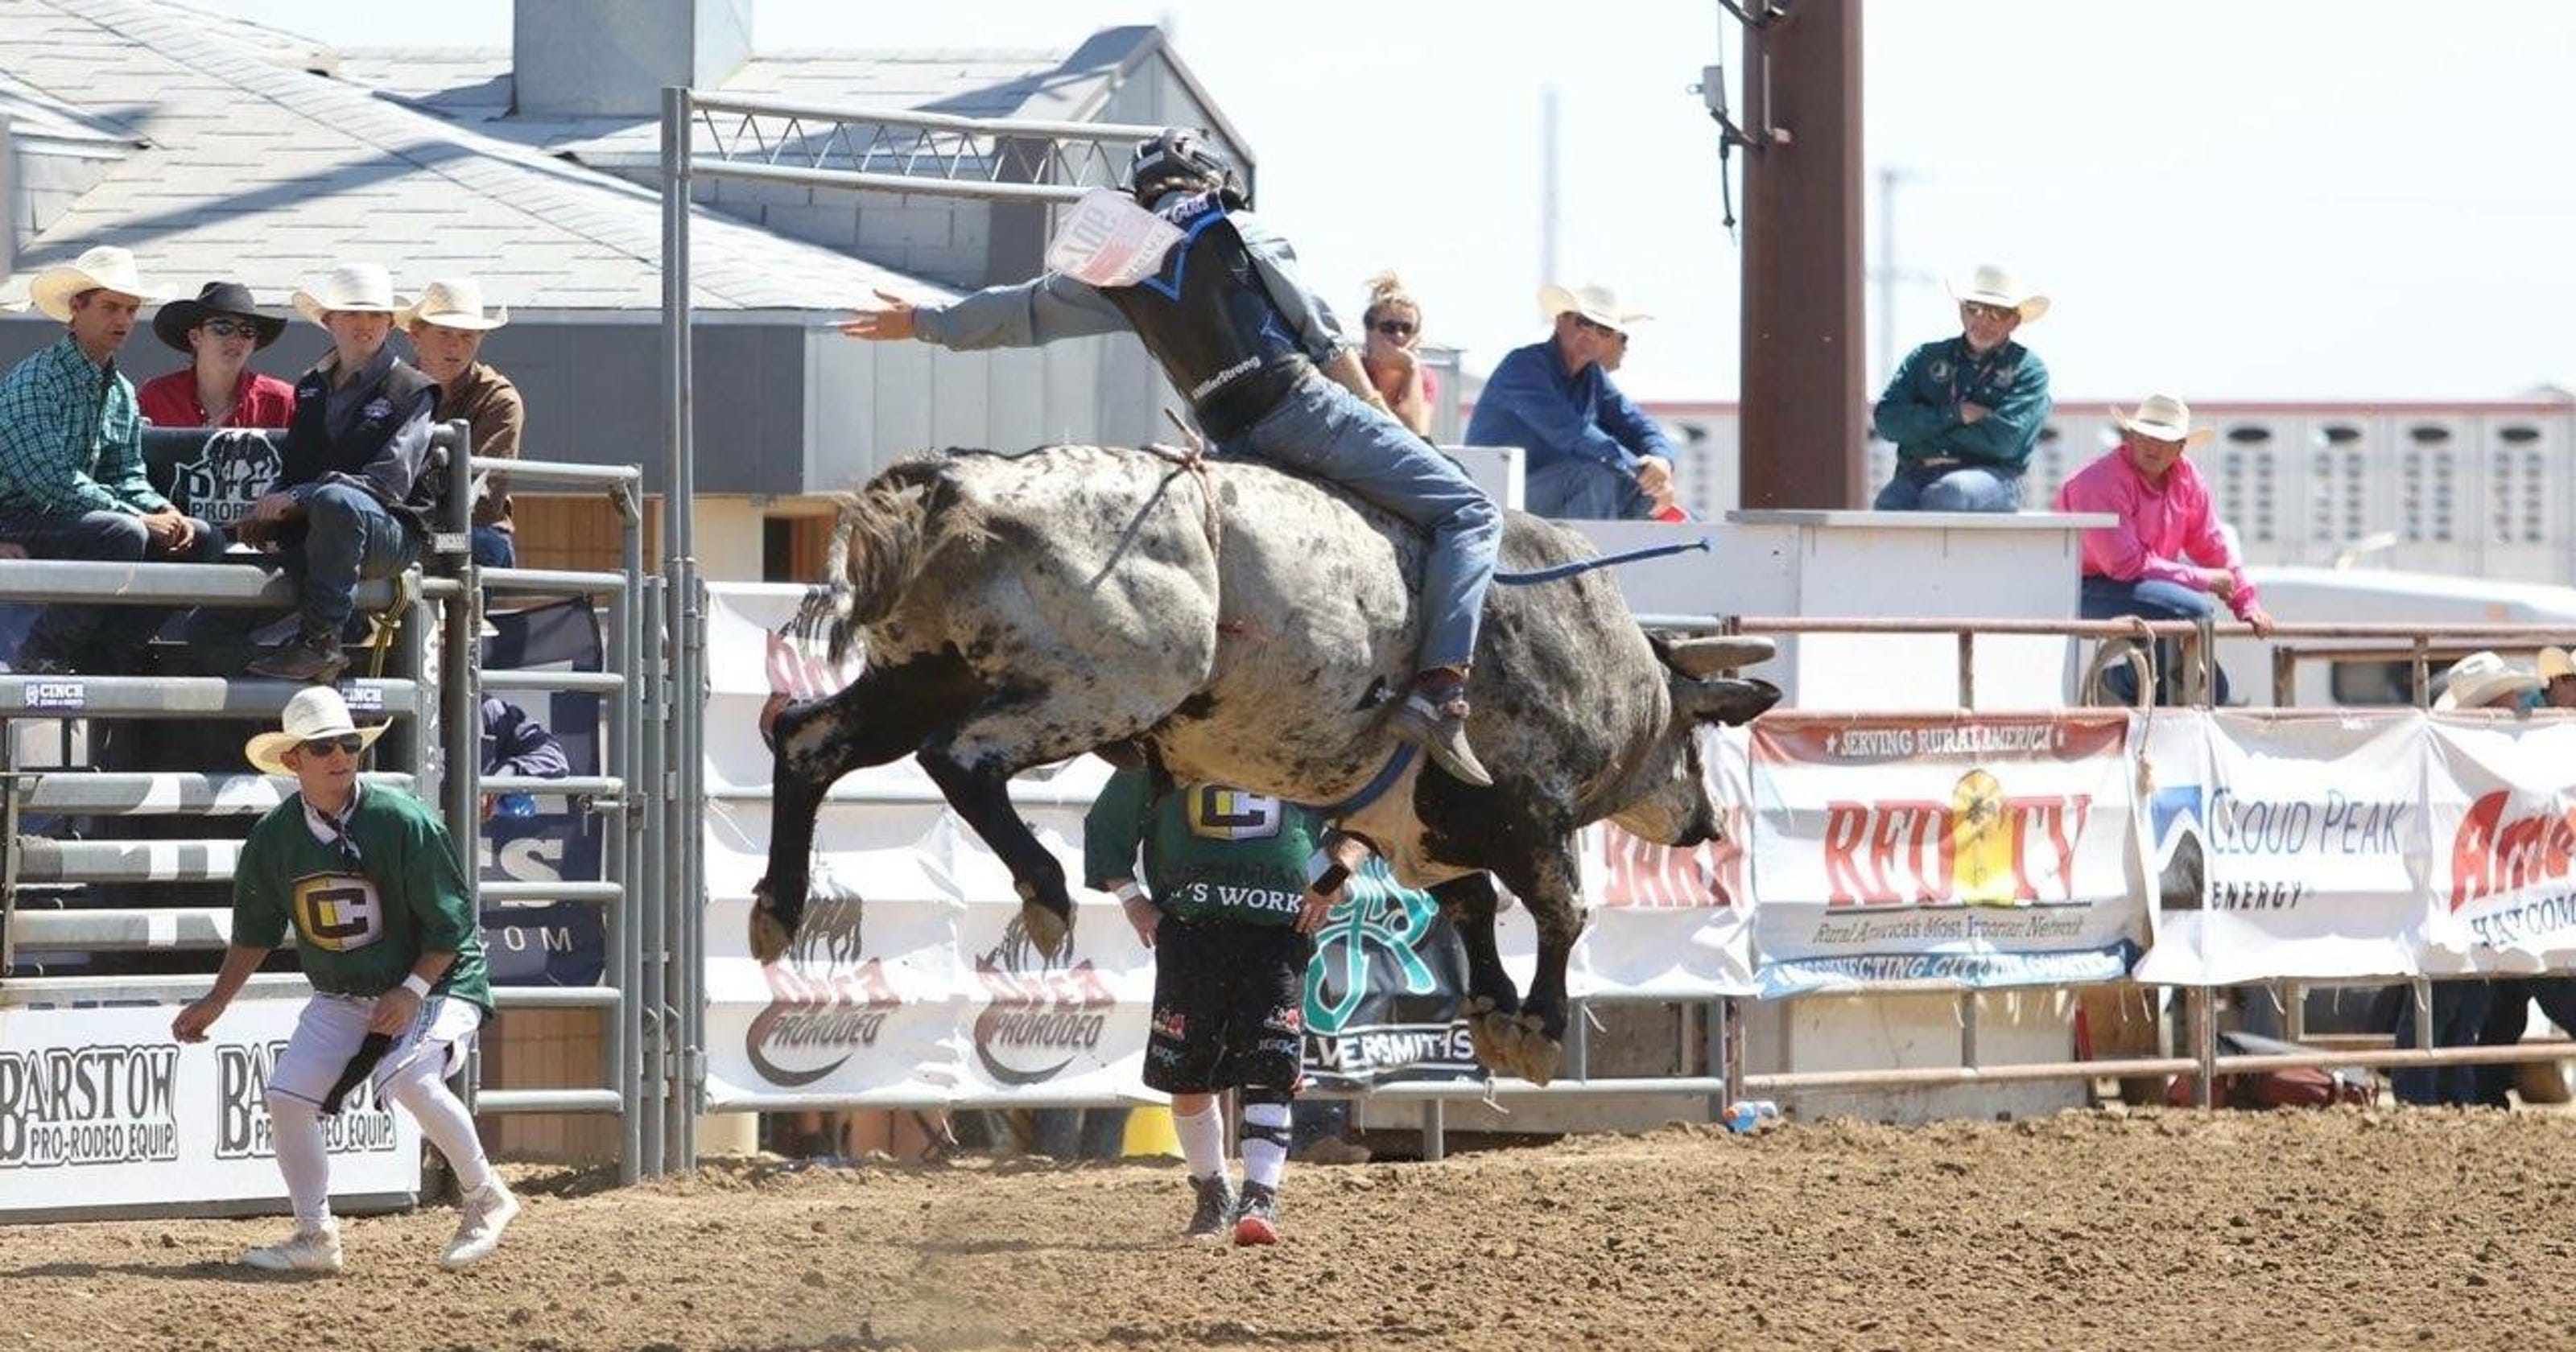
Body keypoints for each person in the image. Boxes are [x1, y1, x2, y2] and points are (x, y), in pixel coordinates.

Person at [840, 129, 1501, 787]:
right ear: (1209, 178)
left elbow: (1027, 312)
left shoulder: (1120, 262)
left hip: (1230, 444)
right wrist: (1386, 422)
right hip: (1304, 412)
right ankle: (1439, 689)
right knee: (1470, 512)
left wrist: (927, 321)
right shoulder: (1239, 228)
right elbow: (1322, 340)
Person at [171, 686, 518, 1271]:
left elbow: (452, 926)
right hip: (346, 989)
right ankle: (316, 1236)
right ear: (293, 761)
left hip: (439, 979)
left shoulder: (405, 820)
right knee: (286, 1099)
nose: (340, 755)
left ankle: (486, 1197)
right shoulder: (274, 838)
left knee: (410, 1080)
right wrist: (216, 1001)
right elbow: (254, 932)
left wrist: (410, 992)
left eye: (349, 743)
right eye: (323, 745)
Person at [1084, 769, 1352, 1245]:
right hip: (1189, 931)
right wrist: (1132, 901)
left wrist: (1337, 873)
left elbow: (1365, 821)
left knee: (1271, 1067)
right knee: (1186, 1074)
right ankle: (1212, 1191)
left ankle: (1260, 1197)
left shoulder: (1303, 743)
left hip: (1278, 932)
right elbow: (1107, 823)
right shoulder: (1163, 746)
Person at [0, 245, 226, 674]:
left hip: (68, 519)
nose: (122, 320)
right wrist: (139, 517)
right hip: (14, 517)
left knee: (202, 538)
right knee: (119, 532)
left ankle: (108, 652)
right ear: (76, 308)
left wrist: (161, 508)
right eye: (110, 307)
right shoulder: (34, 380)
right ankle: (42, 649)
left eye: (130, 308)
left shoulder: (119, 389)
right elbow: (51, 481)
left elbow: (125, 472)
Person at [221, 262, 442, 684]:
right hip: (324, 530)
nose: (366, 324)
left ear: (390, 324)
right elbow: (297, 464)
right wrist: (267, 507)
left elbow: (388, 483)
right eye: (353, 314)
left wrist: (299, 497)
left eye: (376, 314)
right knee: (208, 623)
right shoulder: (309, 385)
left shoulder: (413, 389)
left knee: (336, 502)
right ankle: (237, 713)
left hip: (392, 531)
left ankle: (321, 641)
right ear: (328, 321)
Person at [2384, 651, 2540, 1105]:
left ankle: (2452, 1096)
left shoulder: (2476, 754)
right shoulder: (2456, 754)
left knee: (2471, 999)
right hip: (2458, 884)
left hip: (2482, 886)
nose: (2518, 709)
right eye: (2507, 701)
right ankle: (2425, 1095)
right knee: (2448, 996)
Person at [2057, 394, 2276, 704]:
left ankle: (2134, 700)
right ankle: (2115, 683)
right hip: (2082, 589)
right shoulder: (2098, 481)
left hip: (2147, 590)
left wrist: (2247, 603)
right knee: (2193, 613)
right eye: (2145, 435)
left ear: (2181, 447)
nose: (2152, 445)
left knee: (2213, 688)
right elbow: (2124, 565)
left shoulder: (2187, 479)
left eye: (2164, 439)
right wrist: (2206, 580)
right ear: (2131, 436)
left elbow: (2211, 544)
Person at [1463, 282, 1678, 521]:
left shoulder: (1594, 378)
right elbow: (1572, 432)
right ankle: (1594, 558)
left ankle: (1641, 556)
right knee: (1594, 477)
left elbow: (1639, 426)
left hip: (1549, 494)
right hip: (1496, 501)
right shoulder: (1523, 367)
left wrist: (1661, 460)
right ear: (1560, 320)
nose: (1591, 334)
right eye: (1584, 322)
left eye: (1604, 330)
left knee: (1646, 494)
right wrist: (1644, 471)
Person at [1872, 264, 2054, 512]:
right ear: (1961, 310)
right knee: (1890, 502)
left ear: (2015, 320)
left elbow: (2004, 442)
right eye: (1974, 308)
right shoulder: (1925, 357)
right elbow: (1887, 421)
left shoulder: (2028, 369)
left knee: (1949, 493)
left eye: (1998, 313)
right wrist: (1959, 414)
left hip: (1995, 478)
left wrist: (1923, 434)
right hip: (1919, 472)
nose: (1983, 320)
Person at [402, 278, 523, 569]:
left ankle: (466, 616)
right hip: (402, 528)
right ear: (414, 336)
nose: (456, 345)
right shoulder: (391, 389)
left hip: (473, 533)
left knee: (478, 546)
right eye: (444, 333)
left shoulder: (499, 399)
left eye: (468, 336)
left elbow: (482, 500)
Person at [136, 280, 296, 431]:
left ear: (254, 342)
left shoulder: (282, 401)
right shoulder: (156, 397)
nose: (236, 339)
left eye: (247, 331)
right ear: (195, 337)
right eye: (223, 328)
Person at [1357, 270, 1435, 438]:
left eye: (1407, 329)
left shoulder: (1424, 378)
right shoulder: (1353, 369)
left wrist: (1410, 367)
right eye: (1389, 328)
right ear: (1369, 332)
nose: (1399, 336)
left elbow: (1415, 435)